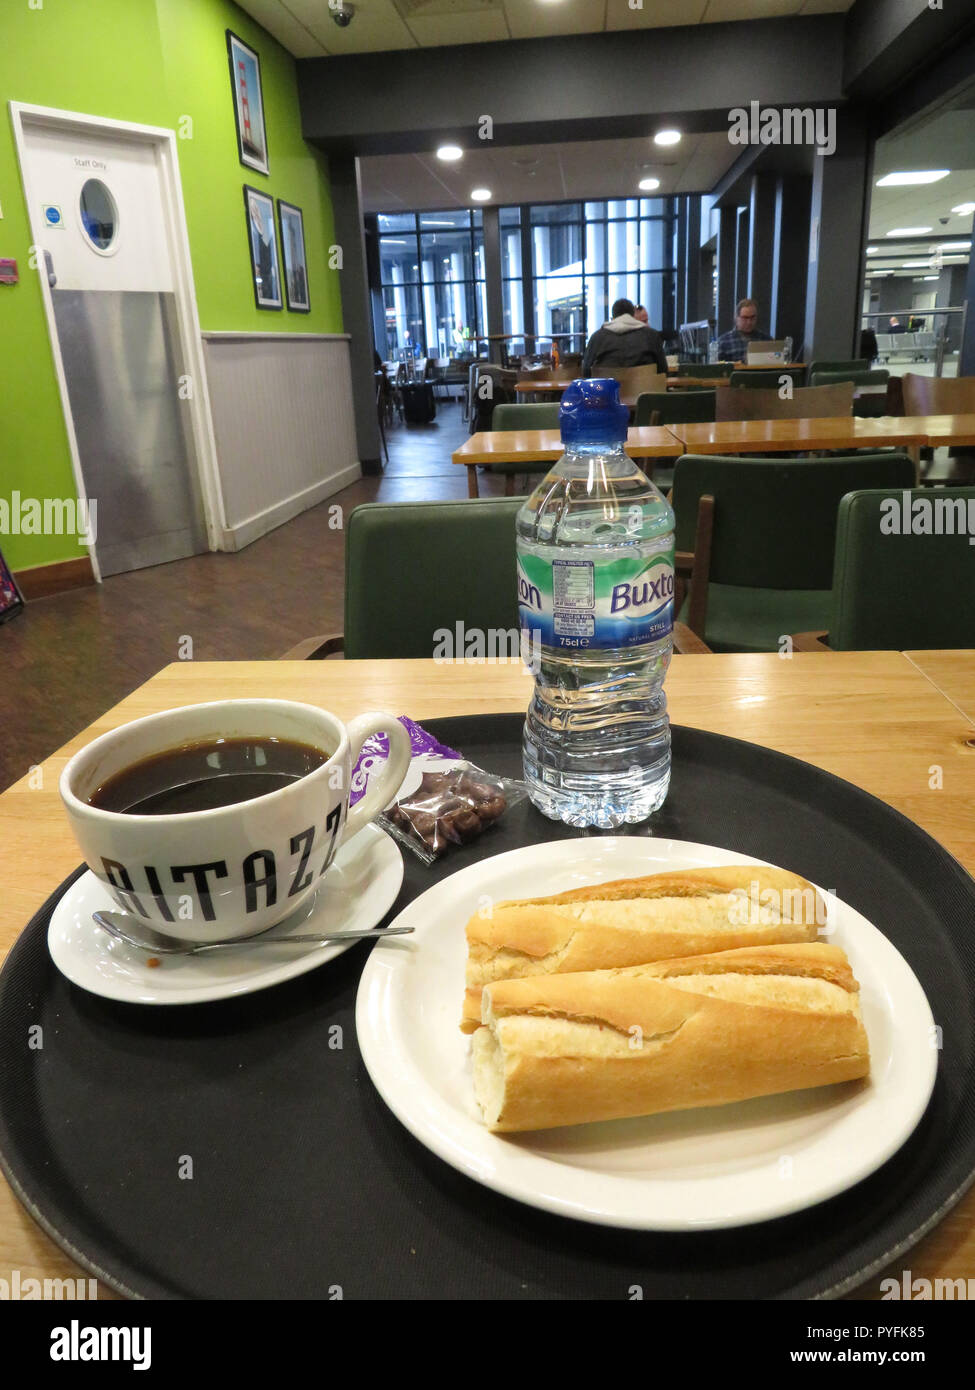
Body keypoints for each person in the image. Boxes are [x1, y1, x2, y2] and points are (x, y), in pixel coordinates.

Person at [581, 298, 667, 376]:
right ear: (633, 315)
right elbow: (663, 370)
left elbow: (586, 371)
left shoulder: (597, 338)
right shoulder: (651, 336)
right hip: (644, 391)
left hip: (607, 392)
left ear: (613, 317)